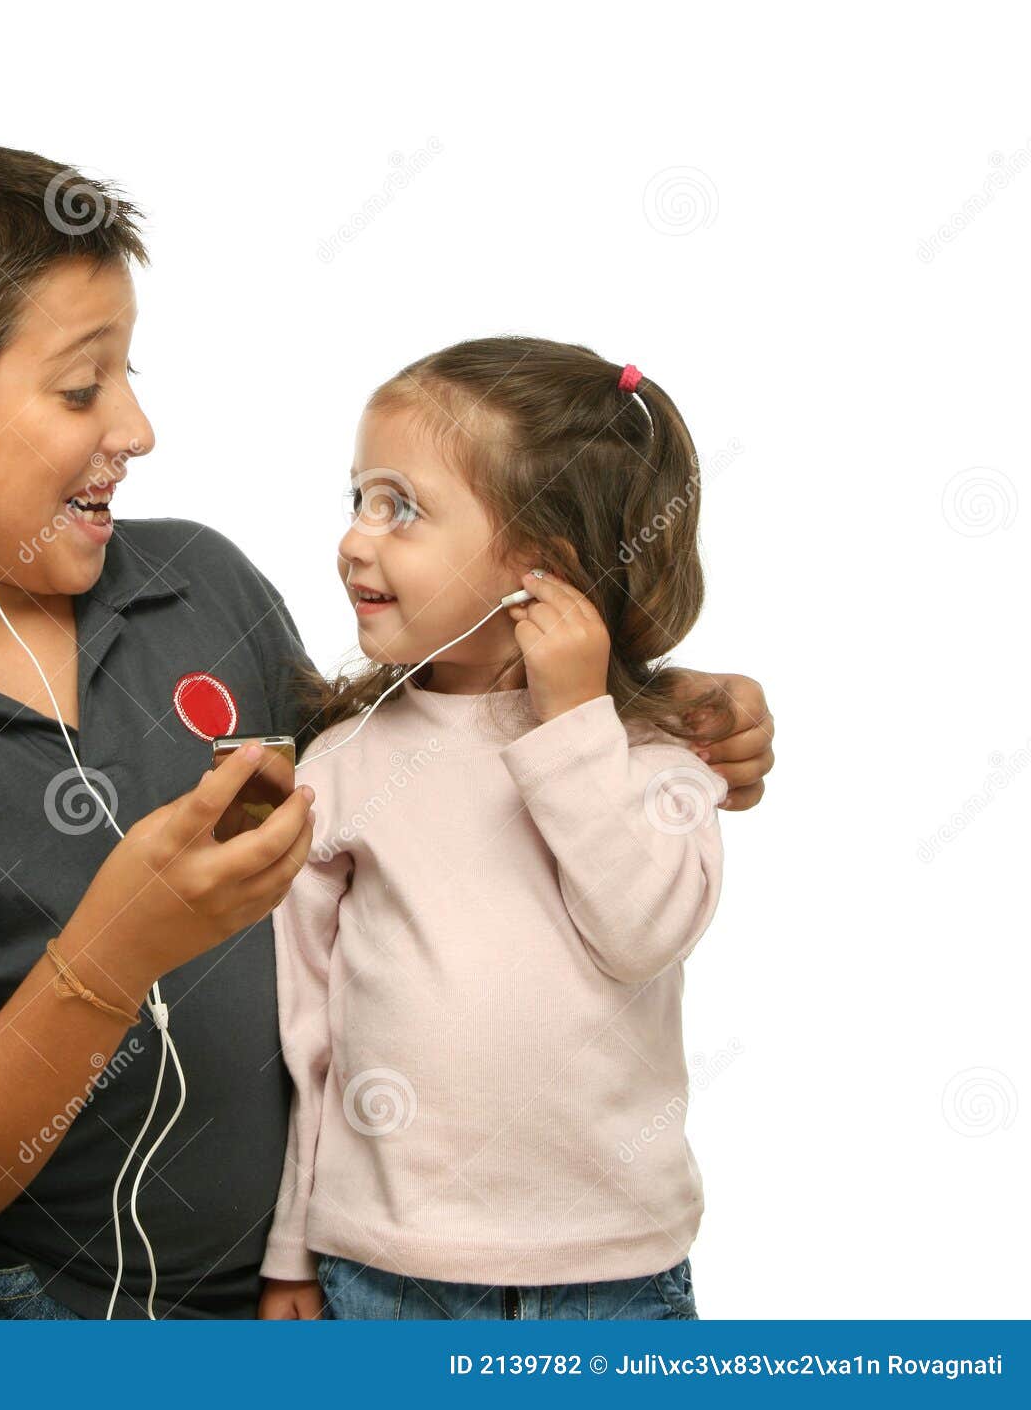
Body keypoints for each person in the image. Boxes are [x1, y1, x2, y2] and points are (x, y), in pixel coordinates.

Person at [0, 143, 776, 1321]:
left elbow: (419, 731)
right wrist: (108, 955)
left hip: (256, 1291)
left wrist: (636, 699)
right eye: (81, 388)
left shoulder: (195, 586)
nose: (138, 427)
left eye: (128, 374)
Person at [258, 339, 740, 1321]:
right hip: (388, 1271)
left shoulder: (652, 758)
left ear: (544, 569)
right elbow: (302, 1034)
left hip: (617, 1272)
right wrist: (290, 1247)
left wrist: (573, 725)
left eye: (401, 507)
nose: (354, 539)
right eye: (358, 498)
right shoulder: (342, 768)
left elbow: (641, 932)